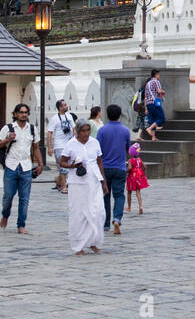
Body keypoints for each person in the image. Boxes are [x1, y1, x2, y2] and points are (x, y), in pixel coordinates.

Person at [0, 103, 42, 234]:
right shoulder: (8, 128)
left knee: (24, 198)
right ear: (15, 114)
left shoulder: (32, 129)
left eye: (26, 112)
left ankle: (21, 225)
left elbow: (36, 148)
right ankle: (5, 214)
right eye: (21, 112)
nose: (24, 114)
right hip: (11, 166)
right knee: (8, 196)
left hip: (26, 167)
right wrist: (7, 140)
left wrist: (41, 164)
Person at [59, 121, 106, 255]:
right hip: (77, 183)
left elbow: (99, 162)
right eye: (83, 131)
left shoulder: (94, 142)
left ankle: (94, 241)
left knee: (97, 212)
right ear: (78, 132)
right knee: (79, 214)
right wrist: (71, 166)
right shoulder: (71, 144)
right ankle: (78, 246)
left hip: (94, 180)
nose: (86, 134)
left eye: (88, 130)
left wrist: (104, 182)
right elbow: (62, 161)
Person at [98, 104, 132, 234]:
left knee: (105, 196)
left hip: (105, 168)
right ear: (120, 114)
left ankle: (105, 224)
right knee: (119, 195)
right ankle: (117, 218)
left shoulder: (102, 131)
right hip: (119, 167)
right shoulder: (125, 131)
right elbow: (128, 149)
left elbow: (97, 151)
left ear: (107, 114)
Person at [47, 99, 76, 194]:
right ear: (60, 107)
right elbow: (50, 133)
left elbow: (74, 128)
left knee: (68, 166)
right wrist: (50, 147)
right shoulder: (54, 118)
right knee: (63, 167)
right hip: (59, 145)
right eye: (64, 105)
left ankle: (58, 181)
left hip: (69, 144)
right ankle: (64, 186)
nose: (66, 106)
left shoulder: (69, 117)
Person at [138, 70, 166, 141]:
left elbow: (146, 96)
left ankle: (153, 137)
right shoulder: (156, 81)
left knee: (153, 119)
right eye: (158, 75)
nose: (159, 76)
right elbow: (159, 91)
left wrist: (146, 108)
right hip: (155, 102)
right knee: (161, 118)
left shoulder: (148, 83)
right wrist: (163, 91)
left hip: (148, 103)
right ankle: (149, 128)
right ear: (156, 74)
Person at [126, 143, 149, 215]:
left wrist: (126, 171)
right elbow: (144, 167)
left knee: (129, 192)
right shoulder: (139, 159)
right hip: (138, 177)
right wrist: (141, 171)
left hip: (131, 177)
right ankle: (140, 207)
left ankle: (129, 207)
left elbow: (129, 168)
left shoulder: (130, 160)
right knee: (138, 192)